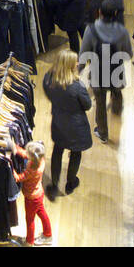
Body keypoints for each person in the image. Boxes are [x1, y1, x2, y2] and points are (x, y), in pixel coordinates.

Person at [79, 0, 132, 143]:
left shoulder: (91, 29)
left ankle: (102, 133)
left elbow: (83, 54)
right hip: (116, 72)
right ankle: (117, 111)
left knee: (100, 103)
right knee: (117, 92)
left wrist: (79, 70)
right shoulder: (121, 31)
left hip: (98, 74)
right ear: (115, 13)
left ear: (99, 12)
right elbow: (128, 54)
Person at [42, 49, 93, 197]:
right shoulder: (77, 86)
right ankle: (71, 182)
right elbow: (87, 105)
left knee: (58, 151)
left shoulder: (48, 78)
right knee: (76, 153)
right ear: (69, 65)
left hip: (58, 121)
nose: (78, 63)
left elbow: (48, 94)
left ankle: (54, 183)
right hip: (76, 126)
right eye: (75, 61)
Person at [9, 139, 52, 244]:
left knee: (30, 220)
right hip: (38, 194)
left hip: (31, 198)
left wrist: (10, 166)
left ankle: (29, 242)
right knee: (42, 212)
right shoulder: (40, 160)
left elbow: (19, 178)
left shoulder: (33, 169)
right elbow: (25, 154)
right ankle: (48, 235)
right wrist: (14, 146)